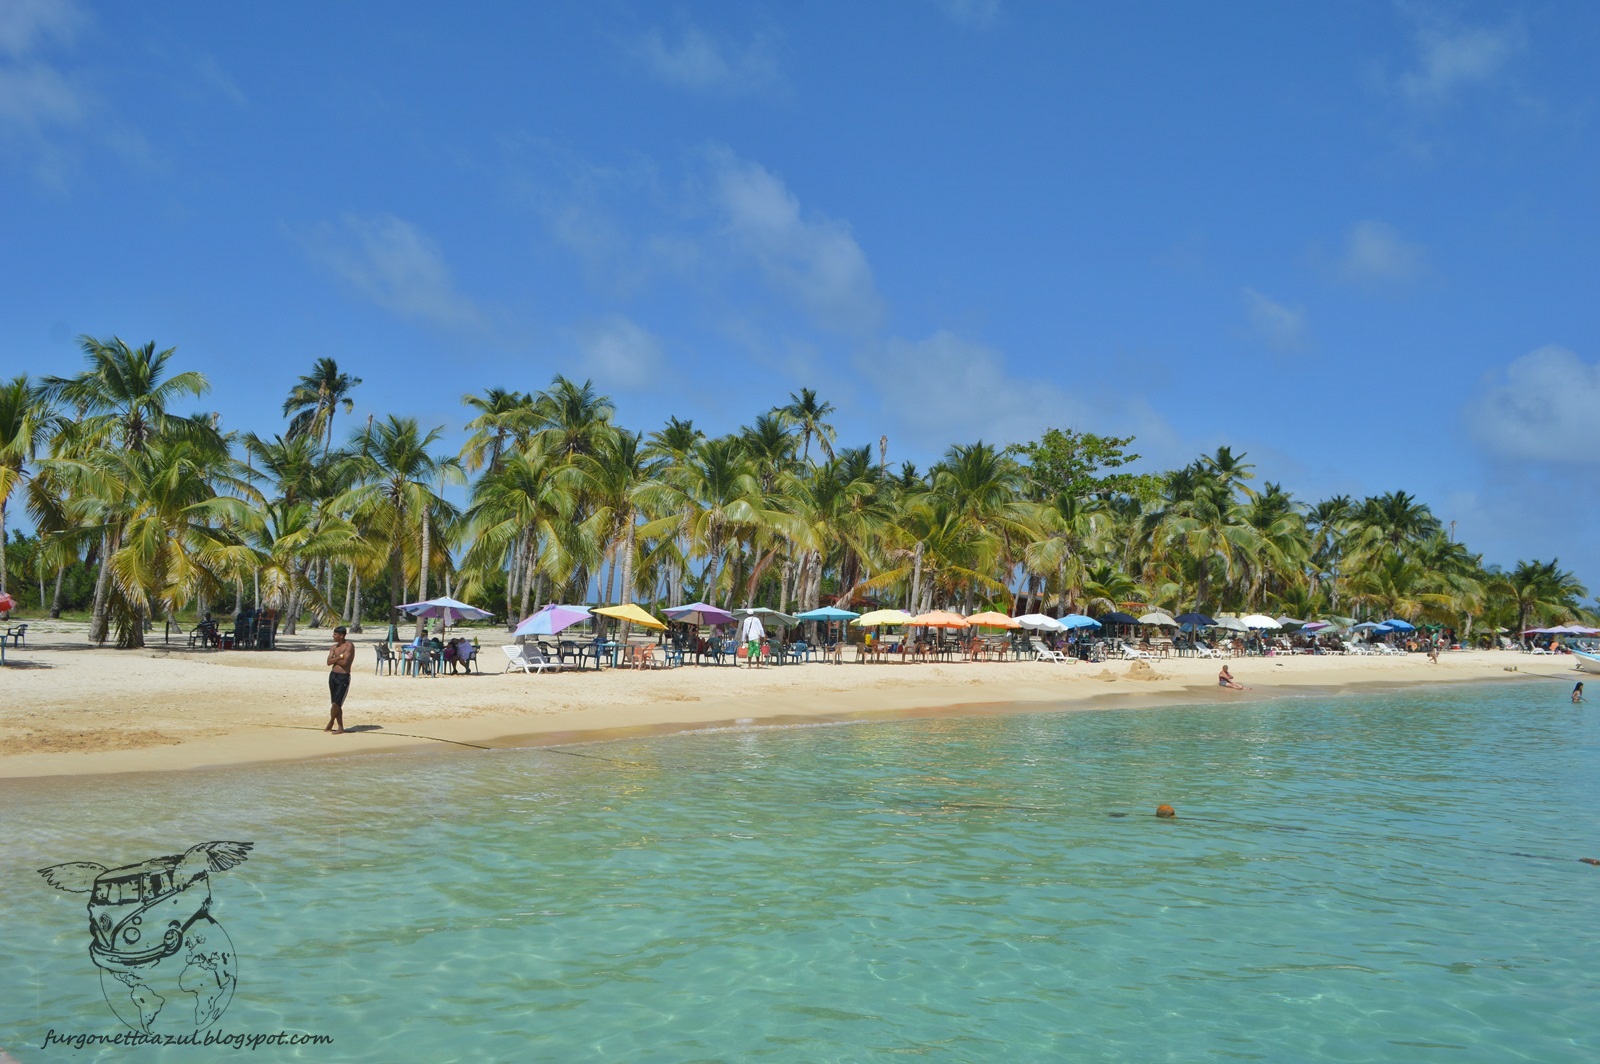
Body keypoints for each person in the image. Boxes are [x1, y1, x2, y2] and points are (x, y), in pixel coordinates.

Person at [325, 626, 355, 733]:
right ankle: (340, 727)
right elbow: (328, 662)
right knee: (334, 702)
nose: (333, 636)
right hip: (333, 676)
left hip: (343, 677)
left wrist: (335, 659)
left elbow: (345, 663)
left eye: (335, 635)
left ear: (341, 636)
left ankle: (331, 721)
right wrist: (339, 657)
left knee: (336, 703)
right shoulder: (333, 647)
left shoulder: (349, 646)